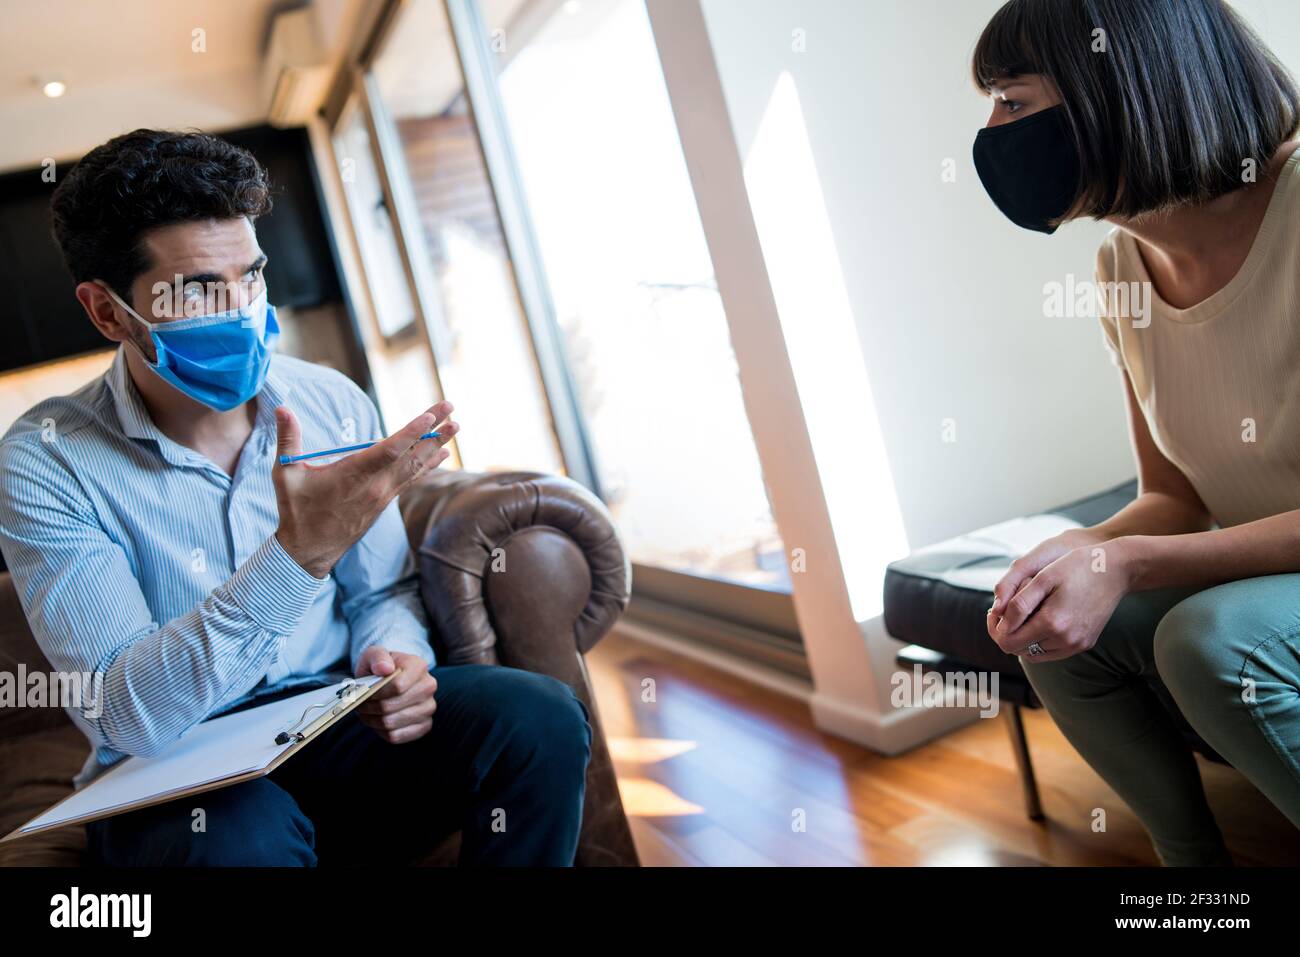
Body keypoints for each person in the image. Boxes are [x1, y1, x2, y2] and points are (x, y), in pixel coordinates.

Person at [0, 129, 591, 866]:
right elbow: (130, 714)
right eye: (198, 290)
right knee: (236, 839)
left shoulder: (331, 403)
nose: (242, 308)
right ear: (108, 312)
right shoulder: (47, 459)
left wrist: (395, 657)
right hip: (175, 775)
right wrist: (294, 557)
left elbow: (385, 589)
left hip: (334, 721)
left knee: (538, 719)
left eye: (251, 275)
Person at [971, 0, 1300, 865]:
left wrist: (1121, 562)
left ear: (1117, 87)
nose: (991, 134)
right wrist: (1074, 556)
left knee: (1209, 641)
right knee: (1056, 627)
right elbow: (1173, 499)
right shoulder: (1119, 268)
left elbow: (1159, 548)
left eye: (1012, 102)